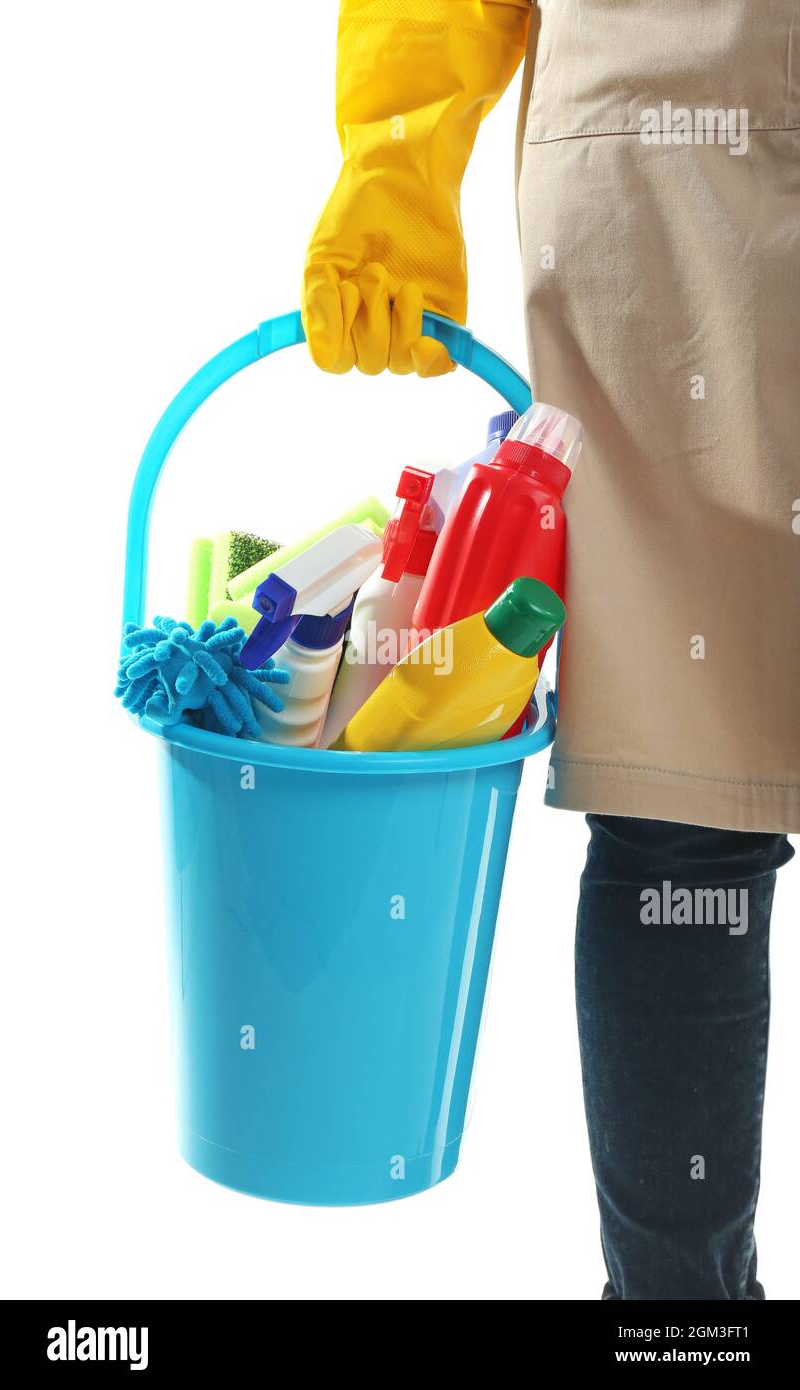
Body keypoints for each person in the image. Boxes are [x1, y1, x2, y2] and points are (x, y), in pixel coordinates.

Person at [301, 0, 799, 1299]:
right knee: (684, 801)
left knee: (685, 821)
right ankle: (683, 1327)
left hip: (661, 135)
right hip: (673, 147)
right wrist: (396, 162)